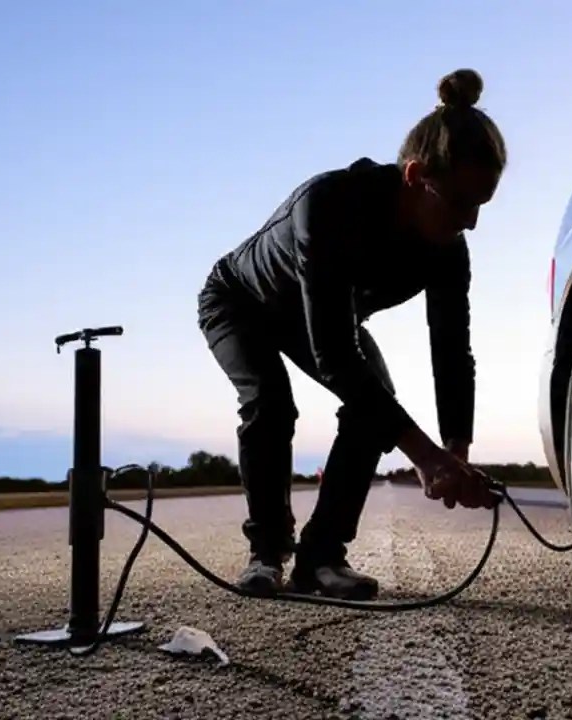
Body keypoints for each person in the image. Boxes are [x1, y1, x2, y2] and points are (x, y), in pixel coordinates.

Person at [195, 68, 506, 601]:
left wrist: (456, 452)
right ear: (413, 177)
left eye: (482, 205)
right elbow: (337, 357)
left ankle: (321, 559)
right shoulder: (332, 205)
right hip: (240, 301)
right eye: (460, 203)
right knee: (270, 403)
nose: (472, 222)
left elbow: (452, 349)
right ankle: (266, 552)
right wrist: (425, 458)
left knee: (373, 410)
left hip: (321, 316)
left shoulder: (449, 247)